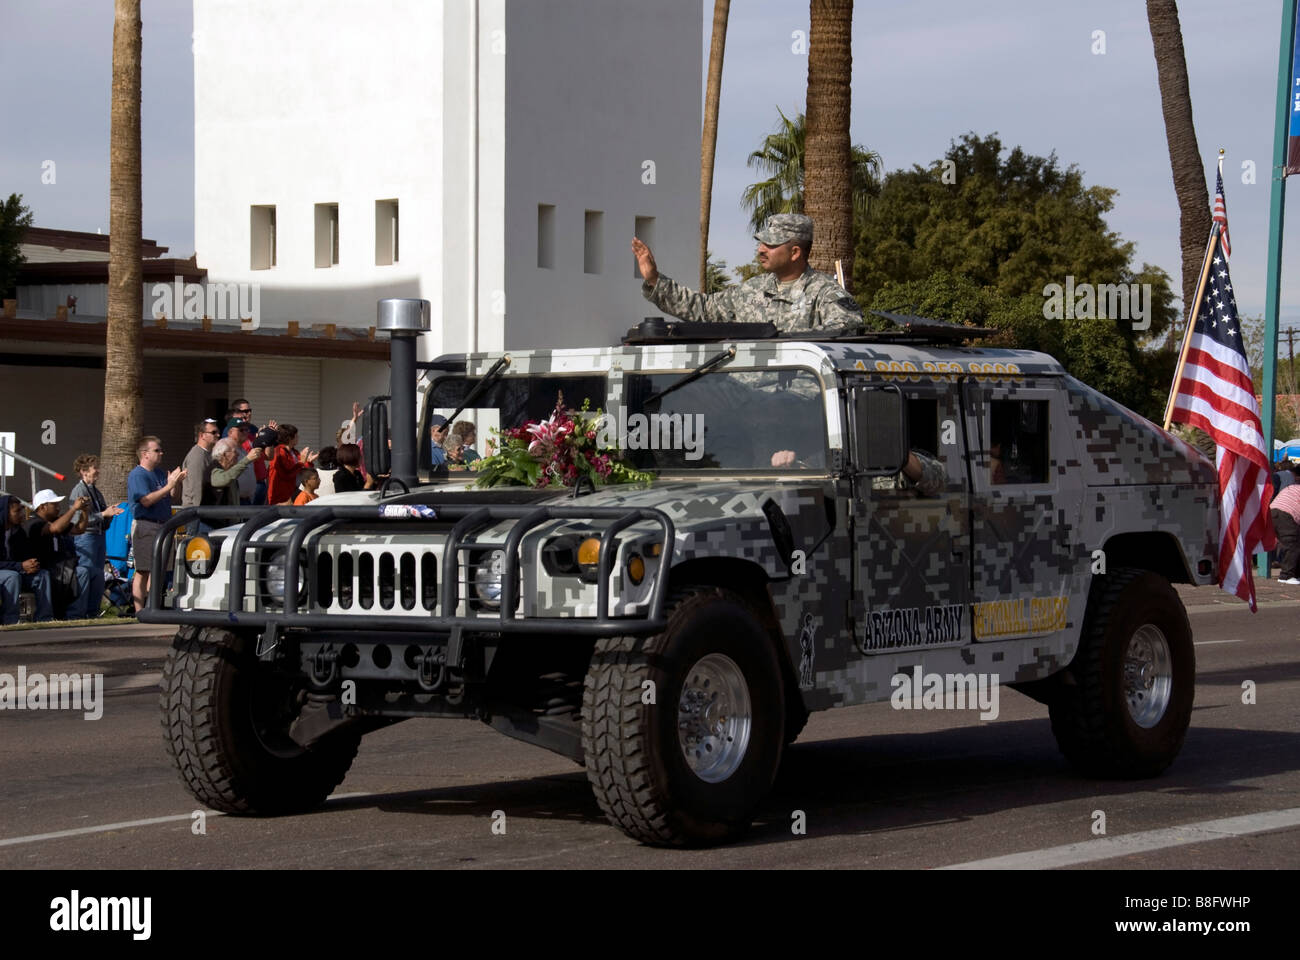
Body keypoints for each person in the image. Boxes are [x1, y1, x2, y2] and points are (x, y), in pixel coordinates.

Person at [632, 213, 864, 334]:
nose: (761, 249)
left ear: (795, 252)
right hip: (746, 401)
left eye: (771, 245)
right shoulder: (752, 289)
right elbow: (704, 309)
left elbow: (848, 326)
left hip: (800, 405)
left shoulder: (824, 293)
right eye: (761, 243)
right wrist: (654, 279)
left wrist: (781, 339)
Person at [128, 436, 186, 613]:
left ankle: (153, 607)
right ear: (145, 454)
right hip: (146, 525)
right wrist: (169, 486)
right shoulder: (138, 474)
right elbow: (145, 501)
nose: (161, 453)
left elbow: (171, 495)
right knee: (144, 569)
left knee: (159, 569)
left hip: (163, 525)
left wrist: (175, 483)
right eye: (157, 450)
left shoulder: (159, 473)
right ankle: (140, 610)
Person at [66, 455, 125, 620]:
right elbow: (79, 519)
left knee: (97, 576)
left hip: (98, 536)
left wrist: (110, 515)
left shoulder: (95, 491)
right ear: (84, 471)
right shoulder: (80, 490)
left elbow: (101, 515)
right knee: (86, 574)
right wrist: (104, 514)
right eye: (94, 468)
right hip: (86, 537)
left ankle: (92, 611)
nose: (97, 471)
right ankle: (79, 612)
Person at [20, 489, 89, 619]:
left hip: (60, 568)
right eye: (54, 504)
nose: (58, 507)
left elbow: (79, 529)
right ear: (42, 507)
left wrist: (85, 512)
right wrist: (74, 509)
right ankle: (70, 615)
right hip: (43, 568)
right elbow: (55, 528)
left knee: (90, 572)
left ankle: (83, 613)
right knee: (81, 573)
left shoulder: (57, 521)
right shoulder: (33, 523)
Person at [769, 447, 945, 497]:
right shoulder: (825, 458)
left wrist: (892, 443)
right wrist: (789, 467)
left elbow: (937, 480)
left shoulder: (900, 455)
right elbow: (817, 486)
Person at [1, 495, 54, 624]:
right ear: (6, 513)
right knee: (11, 577)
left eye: (22, 509)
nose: (22, 513)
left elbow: (26, 555)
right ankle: (10, 620)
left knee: (42, 575)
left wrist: (31, 564)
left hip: (16, 570)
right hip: (6, 572)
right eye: (17, 511)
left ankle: (44, 619)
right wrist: (20, 566)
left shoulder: (18, 532)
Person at [267, 424, 316, 505]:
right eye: (296, 436)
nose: (298, 438)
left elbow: (301, 471)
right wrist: (301, 462)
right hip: (280, 496)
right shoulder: (279, 452)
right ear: (289, 438)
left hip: (291, 494)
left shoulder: (294, 452)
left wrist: (308, 462)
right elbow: (287, 474)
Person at [208, 438, 263, 506]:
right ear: (224, 454)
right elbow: (222, 480)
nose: (238, 454)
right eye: (235, 451)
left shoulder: (229, 469)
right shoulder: (214, 467)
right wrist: (247, 459)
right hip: (218, 515)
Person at [181, 419, 222, 508]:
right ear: (202, 435)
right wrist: (200, 512)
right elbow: (196, 488)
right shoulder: (197, 456)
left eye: (218, 432)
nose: (218, 435)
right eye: (213, 432)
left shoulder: (208, 453)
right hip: (195, 513)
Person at [1270, 474, 1300, 584]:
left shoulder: (1292, 487)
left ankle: (1294, 574)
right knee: (1293, 545)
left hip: (1273, 512)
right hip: (1286, 515)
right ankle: (1286, 576)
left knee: (1291, 544)